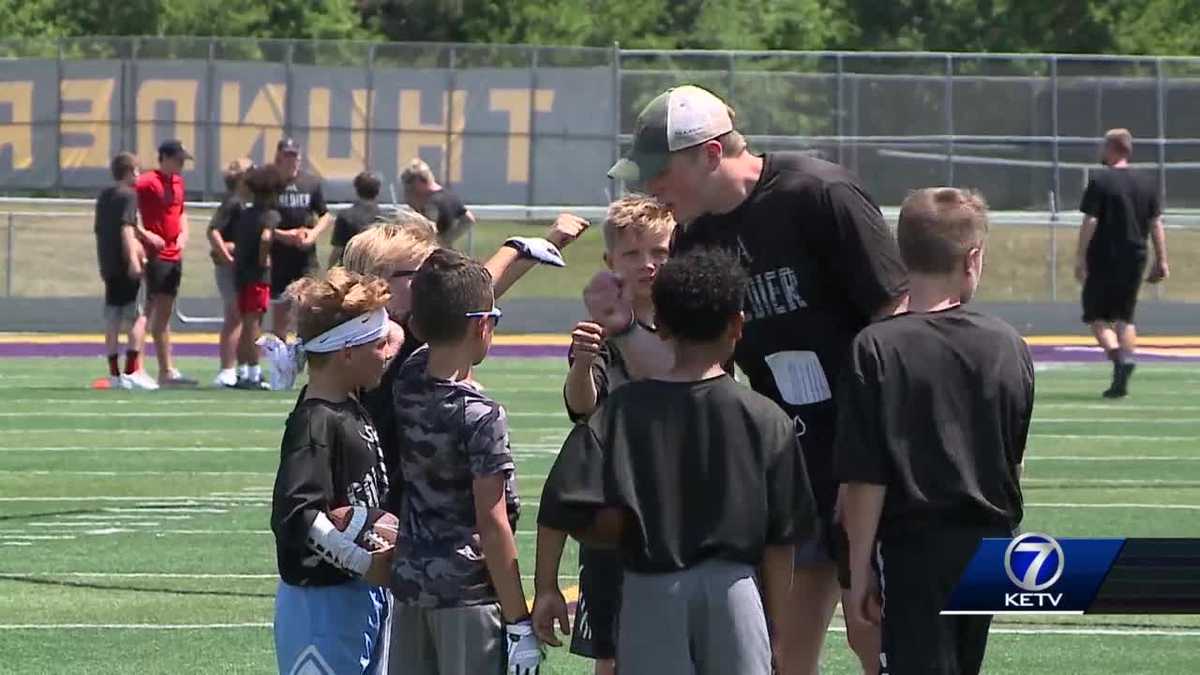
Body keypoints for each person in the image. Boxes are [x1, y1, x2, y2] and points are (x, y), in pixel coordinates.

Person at [596, 84, 908, 673]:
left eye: (661, 172)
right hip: (787, 452)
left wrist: (868, 461)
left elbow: (895, 326)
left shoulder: (819, 194)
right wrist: (621, 327)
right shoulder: (695, 236)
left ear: (710, 154)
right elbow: (684, 370)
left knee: (874, 629)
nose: (651, 187)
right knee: (784, 650)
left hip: (865, 450)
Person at [536, 248, 816, 675]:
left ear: (661, 327)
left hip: (650, 590)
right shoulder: (766, 418)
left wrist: (546, 586)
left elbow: (559, 503)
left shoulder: (621, 412)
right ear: (737, 326)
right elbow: (781, 540)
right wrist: (774, 624)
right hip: (735, 590)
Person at [839, 188, 1035, 675]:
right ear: (972, 258)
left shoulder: (877, 348)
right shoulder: (1009, 344)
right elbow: (1014, 459)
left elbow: (866, 478)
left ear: (903, 254)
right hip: (990, 543)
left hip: (913, 551)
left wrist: (857, 571)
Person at [339, 211, 589, 514]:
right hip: (383, 516)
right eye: (422, 275)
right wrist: (517, 248)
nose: (435, 284)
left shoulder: (357, 339)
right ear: (380, 283)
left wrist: (534, 247)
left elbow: (474, 295)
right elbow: (468, 295)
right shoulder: (395, 340)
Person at [387, 249, 541, 675]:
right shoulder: (481, 415)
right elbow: (492, 525)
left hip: (411, 588)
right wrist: (519, 621)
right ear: (482, 325)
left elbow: (444, 312)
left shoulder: (408, 377)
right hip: (468, 597)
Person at [555, 195, 674, 675]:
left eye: (660, 252)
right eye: (633, 254)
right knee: (612, 650)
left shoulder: (690, 320)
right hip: (617, 505)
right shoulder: (598, 327)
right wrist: (584, 360)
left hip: (680, 503)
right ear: (610, 262)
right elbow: (582, 406)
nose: (648, 265)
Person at [270, 268, 395, 675]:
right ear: (346, 352)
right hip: (322, 604)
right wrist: (361, 561)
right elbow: (298, 515)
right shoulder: (316, 422)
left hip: (358, 594)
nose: (388, 351)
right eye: (378, 344)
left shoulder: (349, 405)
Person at [1075, 128, 1170, 398]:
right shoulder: (1147, 183)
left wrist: (1080, 257)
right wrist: (1162, 259)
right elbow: (1155, 223)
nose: (1101, 152)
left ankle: (1119, 360)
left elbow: (1091, 220)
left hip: (1104, 256)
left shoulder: (1101, 181)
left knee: (1096, 316)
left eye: (1104, 147)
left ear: (1113, 149)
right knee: (1125, 318)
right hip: (1136, 256)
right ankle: (1124, 367)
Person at [134, 139, 197, 387]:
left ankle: (166, 370)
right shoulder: (148, 182)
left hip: (174, 255)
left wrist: (184, 233)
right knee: (146, 313)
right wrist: (144, 234)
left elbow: (181, 211)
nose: (182, 164)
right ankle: (135, 368)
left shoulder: (178, 182)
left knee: (164, 316)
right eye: (178, 159)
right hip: (154, 255)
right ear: (165, 158)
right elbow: (129, 209)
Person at [93, 152, 157, 391]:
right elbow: (126, 229)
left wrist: (147, 235)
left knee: (112, 320)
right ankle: (132, 371)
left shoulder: (105, 196)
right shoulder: (129, 195)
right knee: (137, 317)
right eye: (137, 171)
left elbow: (110, 229)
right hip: (124, 265)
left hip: (108, 265)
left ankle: (114, 374)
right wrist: (133, 260)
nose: (138, 176)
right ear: (130, 171)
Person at [269, 137, 332, 344]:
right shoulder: (270, 184)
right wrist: (283, 235)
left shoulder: (311, 183)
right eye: (287, 155)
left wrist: (312, 235)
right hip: (278, 256)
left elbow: (325, 215)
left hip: (305, 257)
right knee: (280, 311)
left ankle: (305, 353)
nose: (291, 160)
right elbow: (260, 220)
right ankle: (280, 360)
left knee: (309, 307)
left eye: (294, 155)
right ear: (278, 156)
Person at [232, 165, 285, 390]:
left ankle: (243, 371)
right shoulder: (271, 215)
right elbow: (265, 238)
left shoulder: (245, 213)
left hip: (241, 274)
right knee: (254, 324)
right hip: (257, 276)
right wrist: (264, 259)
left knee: (246, 323)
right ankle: (254, 373)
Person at [207, 157, 254, 388]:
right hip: (229, 268)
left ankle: (240, 367)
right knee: (234, 316)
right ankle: (227, 368)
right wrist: (227, 255)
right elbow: (213, 231)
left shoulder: (247, 202)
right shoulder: (233, 201)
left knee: (243, 316)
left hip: (243, 267)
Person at [401, 158, 475, 248]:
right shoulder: (449, 196)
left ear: (419, 182)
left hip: (430, 255)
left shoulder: (431, 204)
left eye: (410, 185)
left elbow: (427, 231)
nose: (408, 190)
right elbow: (469, 219)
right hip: (445, 252)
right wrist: (447, 239)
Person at [330, 171, 384, 267]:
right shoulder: (384, 218)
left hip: (349, 270)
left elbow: (338, 249)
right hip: (374, 271)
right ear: (378, 191)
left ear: (356, 190)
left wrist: (329, 269)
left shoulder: (345, 216)